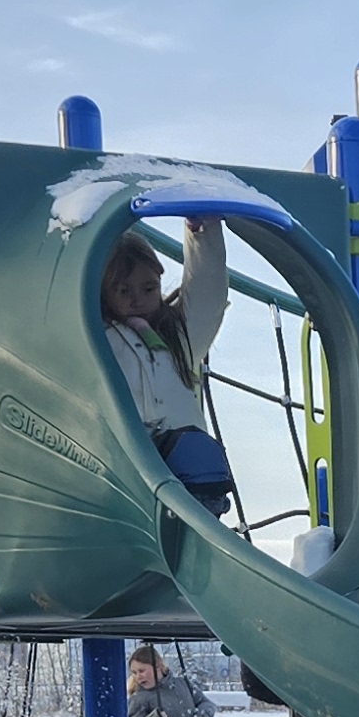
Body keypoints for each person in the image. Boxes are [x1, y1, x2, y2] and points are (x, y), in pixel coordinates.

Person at [100, 214, 235, 516]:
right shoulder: (98, 336)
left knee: (199, 454)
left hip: (181, 467)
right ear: (103, 290)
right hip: (127, 464)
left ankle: (201, 525)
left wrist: (202, 232)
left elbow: (207, 294)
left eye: (148, 288)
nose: (137, 299)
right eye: (124, 290)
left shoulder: (175, 335)